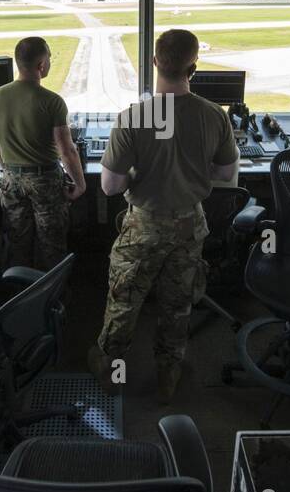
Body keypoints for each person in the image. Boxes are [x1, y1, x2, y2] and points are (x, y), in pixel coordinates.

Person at [89, 29, 238, 403]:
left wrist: (145, 173)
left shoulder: (134, 117)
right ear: (194, 68)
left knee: (124, 302)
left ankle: (111, 373)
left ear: (155, 62)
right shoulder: (213, 115)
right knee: (177, 305)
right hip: (190, 225)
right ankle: (168, 378)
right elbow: (224, 174)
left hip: (144, 227)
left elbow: (109, 186)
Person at [0, 37, 86, 271]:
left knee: (17, 242)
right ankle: (51, 299)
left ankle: (20, 297)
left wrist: (9, 169)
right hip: (45, 181)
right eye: (49, 57)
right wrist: (80, 184)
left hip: (10, 181)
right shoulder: (52, 101)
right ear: (41, 65)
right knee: (51, 244)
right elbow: (66, 149)